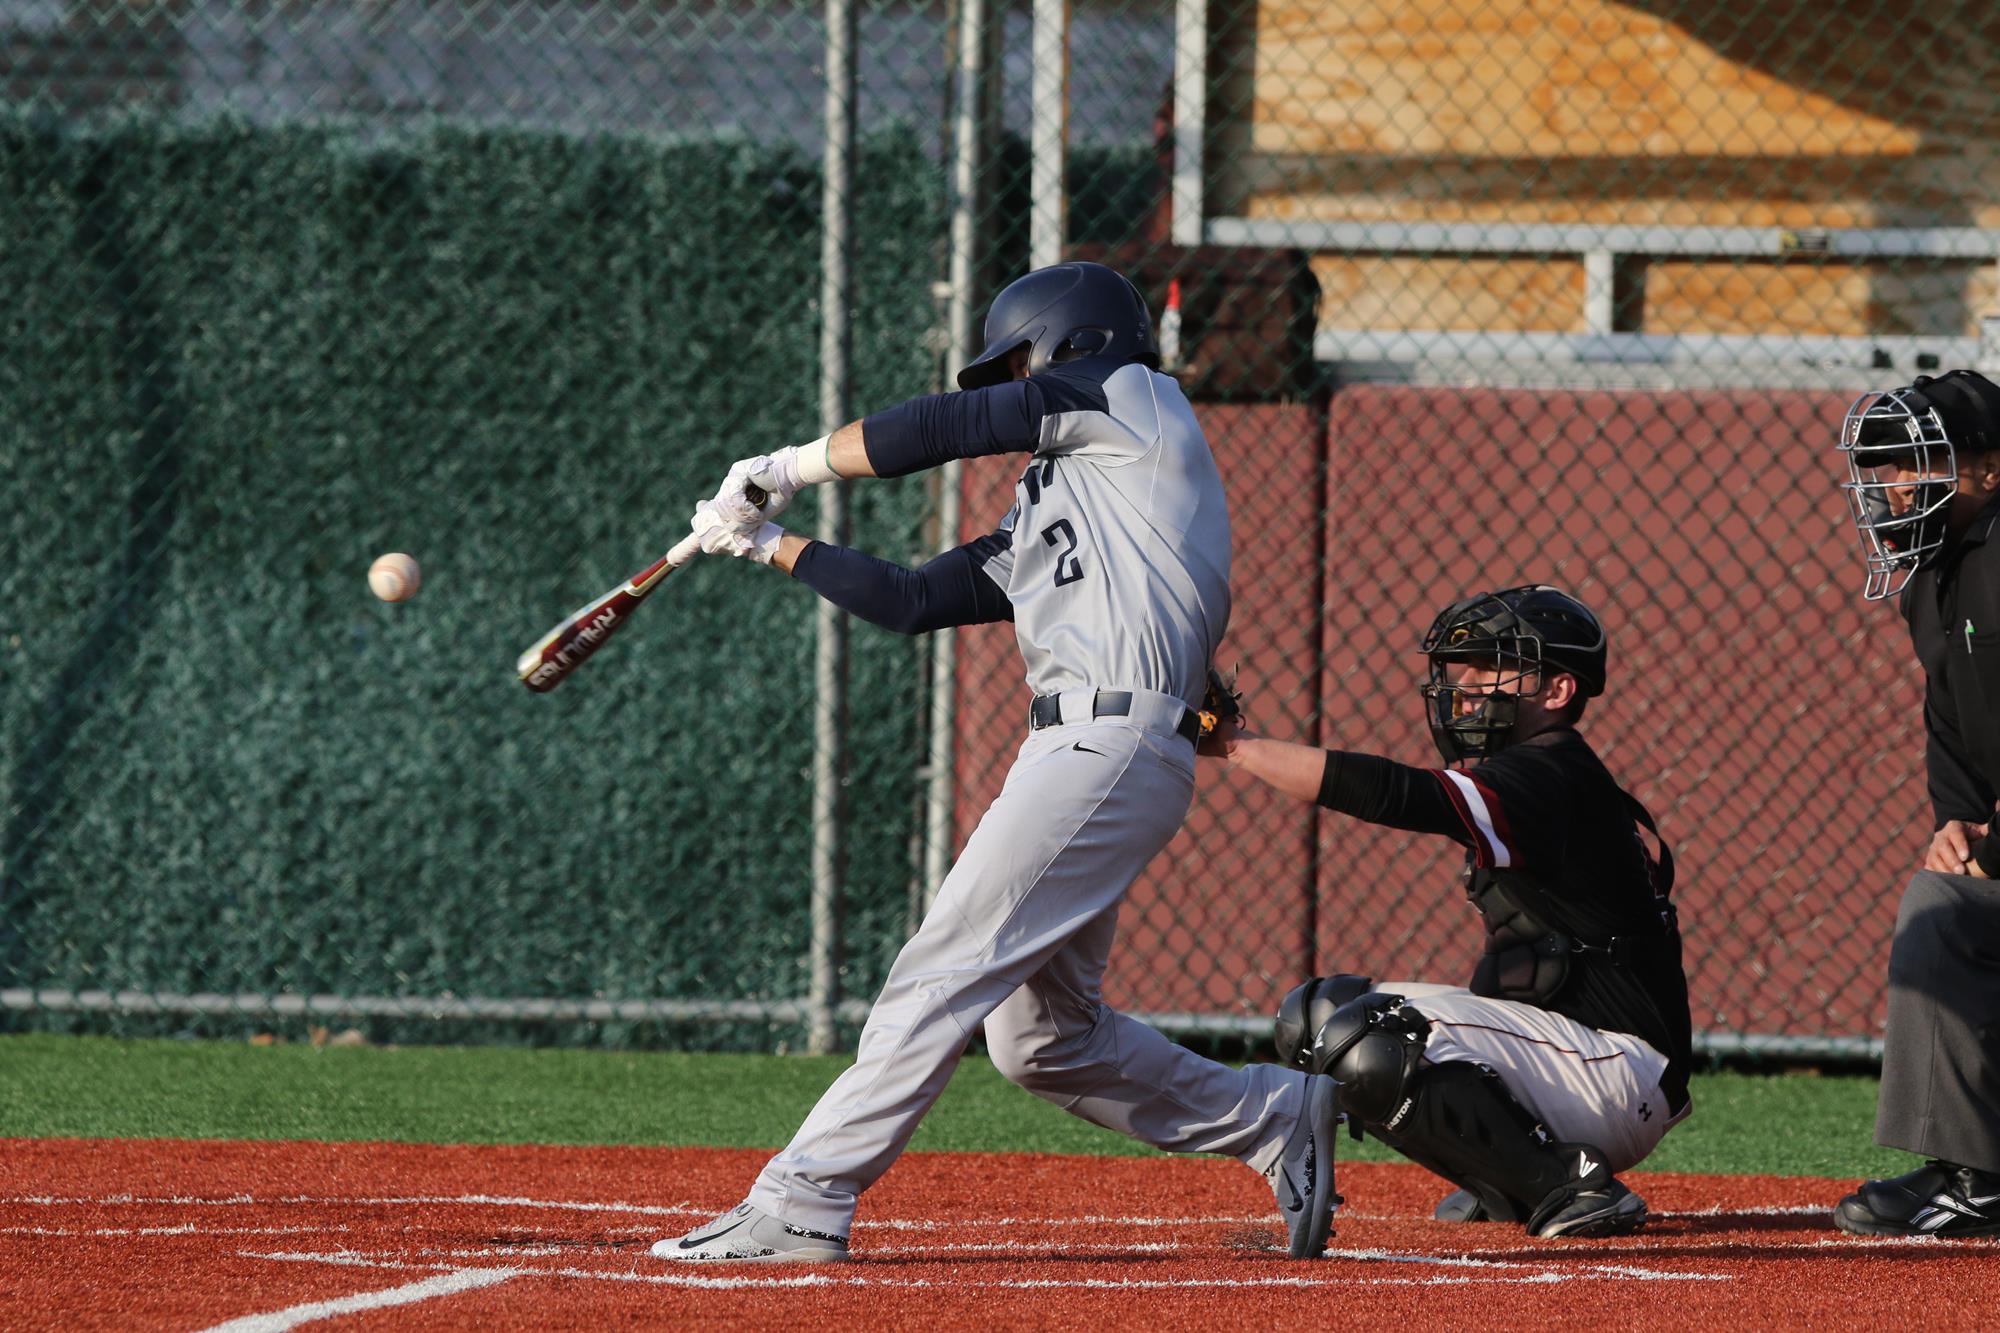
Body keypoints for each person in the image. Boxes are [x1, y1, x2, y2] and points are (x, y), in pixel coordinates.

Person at [649, 261, 1340, 1264]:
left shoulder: (1132, 399)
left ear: (1067, 340)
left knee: (938, 971)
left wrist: (786, 465)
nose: (1013, 376)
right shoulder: (1069, 495)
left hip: (1108, 739)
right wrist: (768, 543)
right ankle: (1270, 1115)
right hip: (1083, 747)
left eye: (1020, 355)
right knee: (1042, 1041)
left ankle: (802, 1199)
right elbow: (912, 600)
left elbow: (948, 425)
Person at [1203, 585, 1692, 1237]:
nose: (1466, 685)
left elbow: (1404, 795)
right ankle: (1512, 1179)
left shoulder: (1551, 773)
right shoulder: (1542, 772)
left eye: (1495, 666)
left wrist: (1237, 744)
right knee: (1314, 1017)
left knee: (1368, 1034)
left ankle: (1566, 1184)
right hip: (1577, 1060)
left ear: (1557, 691)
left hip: (1617, 1067)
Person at [1831, 369, 2000, 1238]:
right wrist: (1958, 823)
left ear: (1990, 470)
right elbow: (1955, 731)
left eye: (1918, 463)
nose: (1894, 486)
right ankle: (1975, 1177)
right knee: (1942, 902)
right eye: (1883, 468)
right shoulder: (1931, 581)